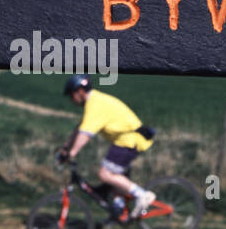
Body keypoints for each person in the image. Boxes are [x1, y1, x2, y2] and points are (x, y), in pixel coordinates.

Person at [57, 75, 156, 219]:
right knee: (112, 183)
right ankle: (118, 215)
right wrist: (65, 148)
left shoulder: (95, 105)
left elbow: (85, 134)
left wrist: (71, 153)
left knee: (105, 174)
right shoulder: (94, 102)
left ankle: (143, 196)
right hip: (125, 140)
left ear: (80, 91)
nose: (72, 100)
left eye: (71, 95)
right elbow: (79, 129)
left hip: (129, 140)